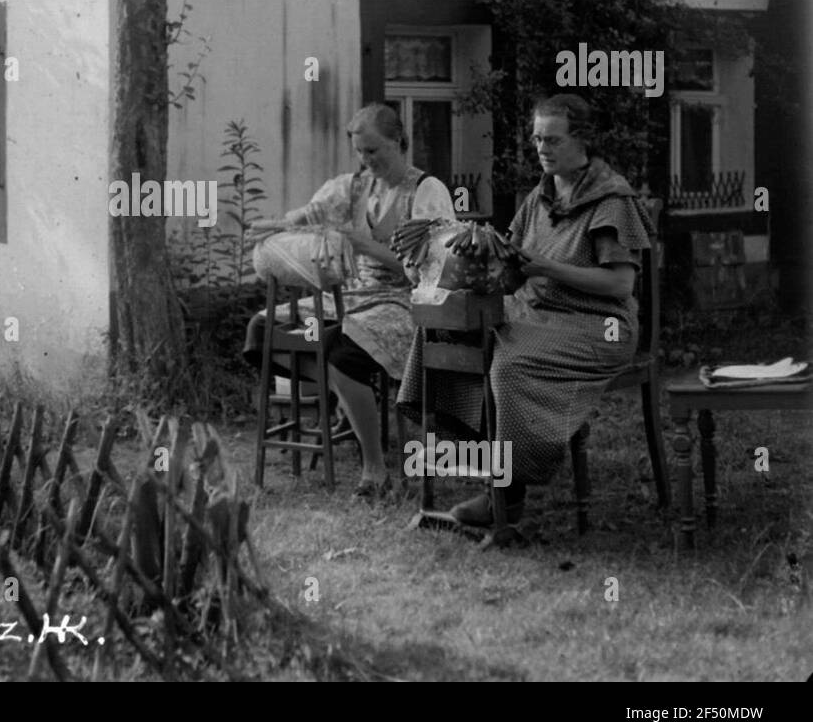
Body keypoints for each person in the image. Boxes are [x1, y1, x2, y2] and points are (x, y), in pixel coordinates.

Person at [397, 93, 655, 526]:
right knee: (442, 335)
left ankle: (506, 495)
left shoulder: (613, 200)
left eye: (552, 140)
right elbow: (514, 271)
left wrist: (544, 267)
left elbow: (620, 284)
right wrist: (463, 246)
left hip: (599, 326)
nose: (542, 149)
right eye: (537, 140)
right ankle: (480, 475)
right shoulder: (540, 197)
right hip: (535, 315)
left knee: (509, 364)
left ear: (583, 140)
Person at [244, 103, 455, 500]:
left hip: (405, 300)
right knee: (265, 326)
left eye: (374, 151)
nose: (366, 160)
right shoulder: (355, 187)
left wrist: (363, 245)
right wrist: (275, 229)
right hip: (356, 294)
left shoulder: (427, 191)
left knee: (344, 347)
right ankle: (347, 403)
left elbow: (431, 268)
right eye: (359, 151)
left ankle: (374, 468)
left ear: (399, 141)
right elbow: (309, 215)